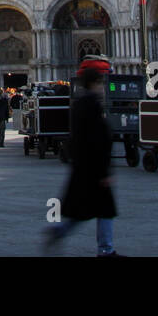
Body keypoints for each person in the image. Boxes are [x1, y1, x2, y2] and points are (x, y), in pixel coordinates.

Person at [45, 68, 119, 257]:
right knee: (102, 210)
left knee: (84, 211)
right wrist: (104, 172)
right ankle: (105, 249)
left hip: (84, 167)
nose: (103, 87)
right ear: (94, 83)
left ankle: (60, 231)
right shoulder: (92, 104)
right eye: (100, 82)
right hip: (94, 169)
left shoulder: (79, 104)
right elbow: (97, 139)